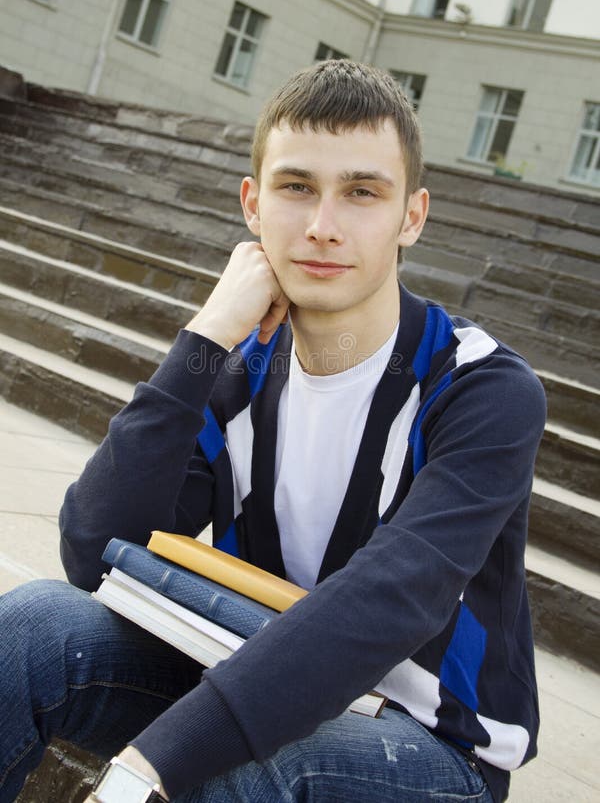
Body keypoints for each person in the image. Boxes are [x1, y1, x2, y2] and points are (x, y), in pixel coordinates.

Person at [0, 60, 546, 803]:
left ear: (411, 216)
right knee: (30, 628)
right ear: (252, 205)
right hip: (240, 667)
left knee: (251, 772)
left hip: (427, 740)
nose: (323, 227)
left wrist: (149, 765)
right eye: (297, 188)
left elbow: (391, 599)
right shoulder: (236, 371)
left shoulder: (481, 389)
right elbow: (95, 551)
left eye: (361, 192)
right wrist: (205, 337)